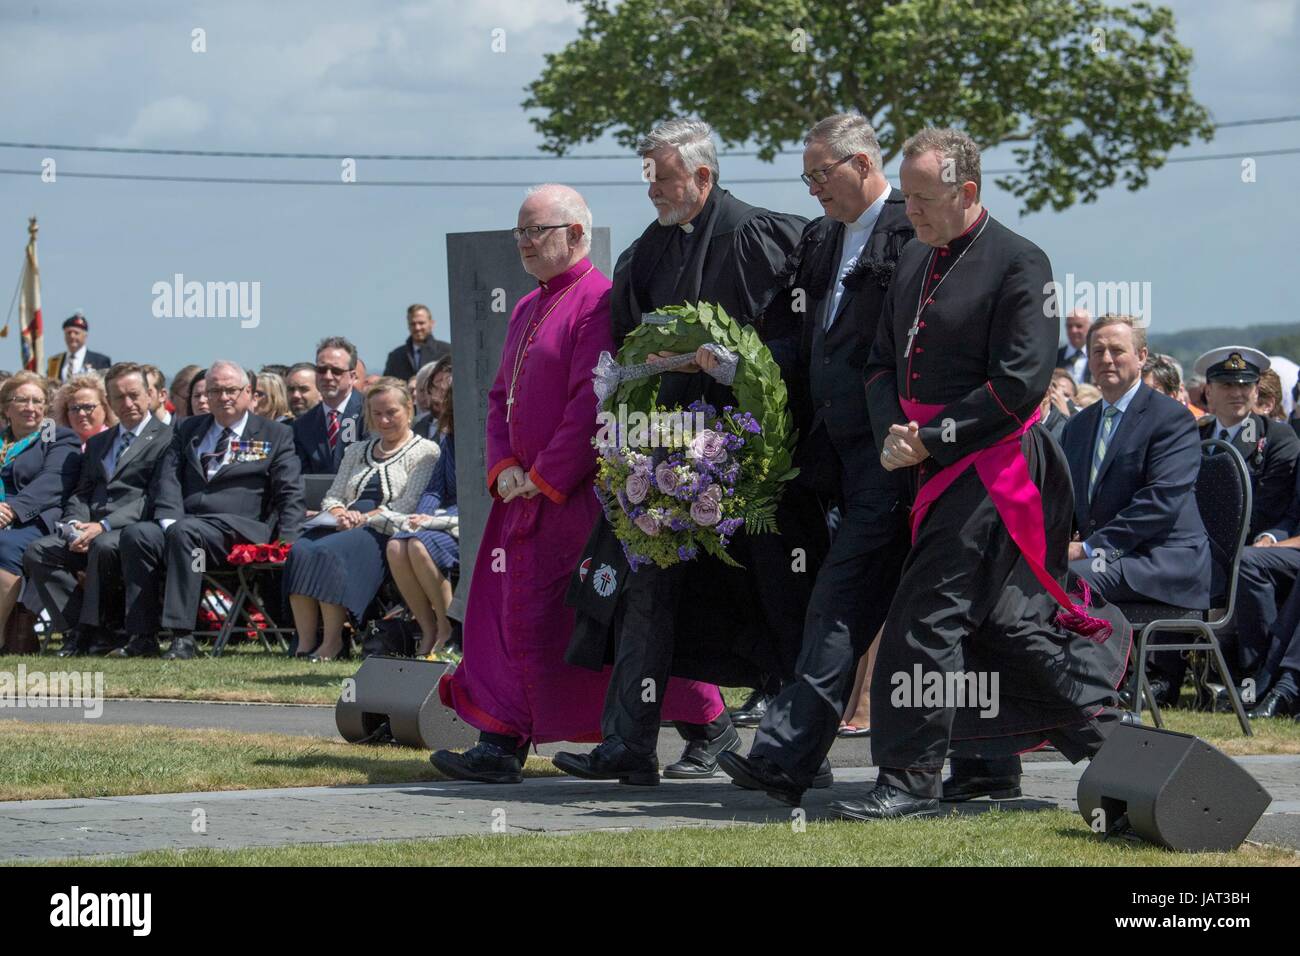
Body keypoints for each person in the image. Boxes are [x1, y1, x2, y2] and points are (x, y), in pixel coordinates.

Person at [838, 127, 1129, 821]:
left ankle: (908, 779)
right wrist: (894, 437)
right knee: (1000, 624)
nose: (910, 212)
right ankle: (1095, 759)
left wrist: (932, 438)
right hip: (927, 464)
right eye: (905, 198)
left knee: (923, 620)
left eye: (923, 198)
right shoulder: (913, 256)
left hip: (997, 470)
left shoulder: (1020, 262)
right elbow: (880, 363)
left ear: (967, 191)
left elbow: (1021, 382)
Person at [433, 184, 724, 785]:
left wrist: (545, 477)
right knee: (507, 620)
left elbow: (593, 401)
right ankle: (500, 742)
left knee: (601, 625)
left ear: (577, 235)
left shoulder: (599, 302)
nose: (525, 242)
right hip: (520, 498)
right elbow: (497, 398)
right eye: (520, 231)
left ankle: (709, 724)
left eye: (537, 230)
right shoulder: (524, 307)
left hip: (575, 500)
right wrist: (504, 466)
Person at [558, 119, 817, 785]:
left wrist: (743, 372)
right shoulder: (648, 252)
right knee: (643, 593)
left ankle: (798, 754)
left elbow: (800, 339)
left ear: (702, 177)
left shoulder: (762, 236)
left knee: (777, 599)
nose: (652, 191)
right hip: (666, 459)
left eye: (663, 178)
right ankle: (628, 745)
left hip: (756, 458)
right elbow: (629, 348)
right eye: (648, 178)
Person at [716, 112, 914, 805]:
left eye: (819, 175)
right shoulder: (821, 238)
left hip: (896, 457)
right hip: (831, 456)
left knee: (843, 600)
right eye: (805, 177)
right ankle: (1005, 756)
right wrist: (738, 364)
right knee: (837, 600)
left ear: (862, 163)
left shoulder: (911, 230)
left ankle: (785, 757)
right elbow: (801, 338)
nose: (812, 190)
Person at [1061, 315, 1211, 707]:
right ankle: (1045, 694)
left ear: (1141, 356)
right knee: (1027, 574)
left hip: (1162, 559)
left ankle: (1093, 694)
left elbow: (1159, 501)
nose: (1107, 359)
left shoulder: (1171, 419)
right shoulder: (1078, 427)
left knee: (1068, 580)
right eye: (1098, 351)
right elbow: (1068, 500)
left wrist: (1090, 547)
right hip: (1110, 558)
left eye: (1117, 350)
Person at [116, 360, 304, 659]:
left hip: (241, 528)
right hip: (187, 525)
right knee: (138, 534)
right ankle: (142, 636)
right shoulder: (188, 429)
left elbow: (289, 490)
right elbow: (169, 478)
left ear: (248, 393)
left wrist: (290, 540)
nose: (224, 397)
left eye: (231, 390)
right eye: (216, 390)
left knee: (186, 533)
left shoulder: (274, 434)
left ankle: (182, 637)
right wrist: (167, 519)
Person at [24, 364, 172, 657]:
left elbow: (153, 497)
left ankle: (90, 634)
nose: (127, 403)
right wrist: (74, 523)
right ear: (111, 401)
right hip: (91, 527)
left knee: (103, 547)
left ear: (149, 395)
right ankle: (79, 628)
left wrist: (103, 525)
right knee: (39, 552)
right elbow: (83, 491)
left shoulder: (168, 439)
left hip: (132, 529)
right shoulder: (99, 443)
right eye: (119, 397)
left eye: (134, 395)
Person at [285, 378, 437, 661]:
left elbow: (407, 505)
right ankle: (305, 644)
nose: (384, 420)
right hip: (345, 523)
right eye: (377, 413)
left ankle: (333, 643)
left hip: (385, 529)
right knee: (301, 550)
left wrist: (364, 518)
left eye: (391, 412)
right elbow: (333, 495)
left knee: (327, 552)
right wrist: (339, 512)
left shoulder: (425, 451)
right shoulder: (356, 450)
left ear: (409, 410)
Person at [0, 373, 80, 653]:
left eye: (37, 401)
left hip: (35, 519)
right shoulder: (1, 441)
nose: (30, 407)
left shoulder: (58, 437)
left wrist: (11, 510)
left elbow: (52, 482)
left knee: (5, 546)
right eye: (21, 400)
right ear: (6, 408)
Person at [1194, 347, 1300, 540]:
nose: (1237, 393)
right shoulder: (1194, 436)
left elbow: (1268, 507)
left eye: (1245, 385)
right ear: (1208, 392)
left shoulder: (1275, 437)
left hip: (1243, 545)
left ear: (1256, 391)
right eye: (1227, 385)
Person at [388, 369, 459, 658]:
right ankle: (427, 627)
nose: (435, 398)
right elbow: (434, 488)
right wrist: (422, 516)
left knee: (419, 545)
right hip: (440, 518)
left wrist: (433, 521)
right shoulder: (449, 438)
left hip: (465, 521)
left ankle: (448, 628)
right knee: (396, 545)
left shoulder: (483, 434)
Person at [293, 337, 365, 475]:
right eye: (321, 369)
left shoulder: (370, 414)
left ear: (352, 376)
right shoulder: (303, 425)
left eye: (336, 371)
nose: (327, 376)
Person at [382, 304, 451, 381]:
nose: (417, 328)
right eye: (413, 324)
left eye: (421, 323)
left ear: (431, 323)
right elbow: (387, 386)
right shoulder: (395, 357)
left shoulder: (447, 352)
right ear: (408, 325)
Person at [53, 373, 116, 449]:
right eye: (74, 408)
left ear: (105, 408)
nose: (81, 413)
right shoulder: (58, 447)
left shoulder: (116, 443)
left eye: (88, 407)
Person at [46, 312, 111, 382]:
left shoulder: (99, 361)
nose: (72, 336)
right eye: (69, 333)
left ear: (85, 336)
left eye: (76, 333)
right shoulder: (54, 361)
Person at [412, 357, 452, 440]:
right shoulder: (416, 426)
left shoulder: (467, 425)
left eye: (444, 389)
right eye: (434, 387)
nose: (436, 396)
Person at [1056, 307, 1091, 385]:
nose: (1073, 330)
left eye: (1079, 326)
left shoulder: (1097, 355)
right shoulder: (1054, 356)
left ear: (1090, 328)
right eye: (1069, 326)